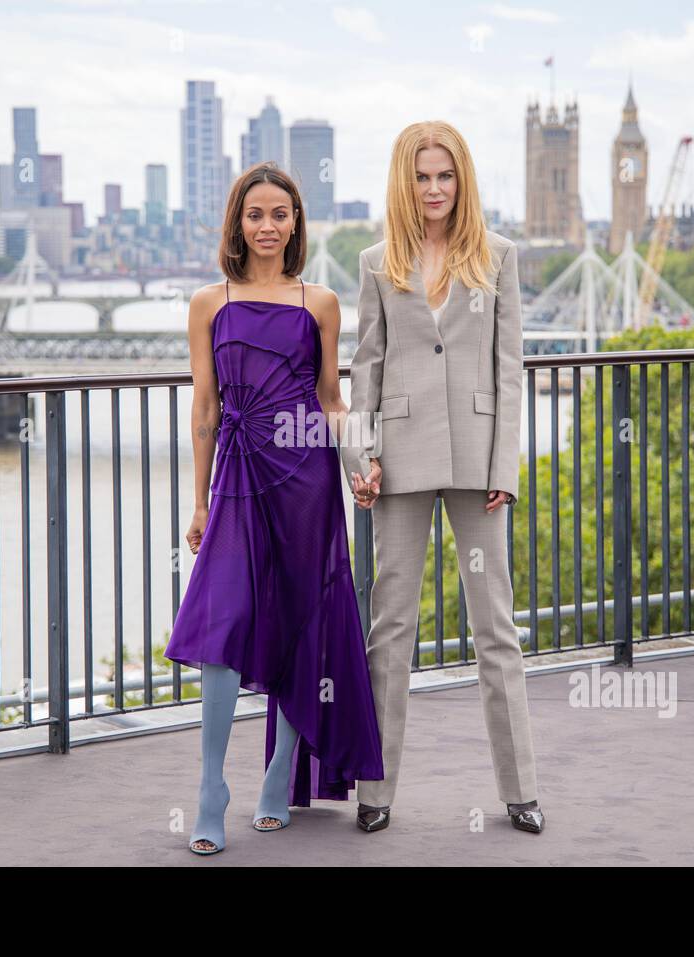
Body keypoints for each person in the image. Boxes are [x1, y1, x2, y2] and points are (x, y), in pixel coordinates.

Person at [164, 162, 384, 855]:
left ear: (296, 225)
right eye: (255, 214)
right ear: (238, 223)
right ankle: (209, 786)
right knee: (222, 630)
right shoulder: (209, 301)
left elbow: (330, 400)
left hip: (307, 479)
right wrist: (197, 501)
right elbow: (205, 408)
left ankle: (278, 773)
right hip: (237, 478)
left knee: (303, 623)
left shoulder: (318, 302)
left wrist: (360, 460)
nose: (267, 226)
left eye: (279, 215)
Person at [341, 121, 544, 835]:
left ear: (463, 180)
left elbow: (509, 369)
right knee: (390, 626)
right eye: (423, 176)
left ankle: (521, 789)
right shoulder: (375, 262)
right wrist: (359, 456)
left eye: (446, 175)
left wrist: (504, 467)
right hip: (395, 462)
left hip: (477, 462)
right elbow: (363, 370)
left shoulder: (499, 258)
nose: (434, 188)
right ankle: (375, 790)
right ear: (406, 181)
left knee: (496, 626)